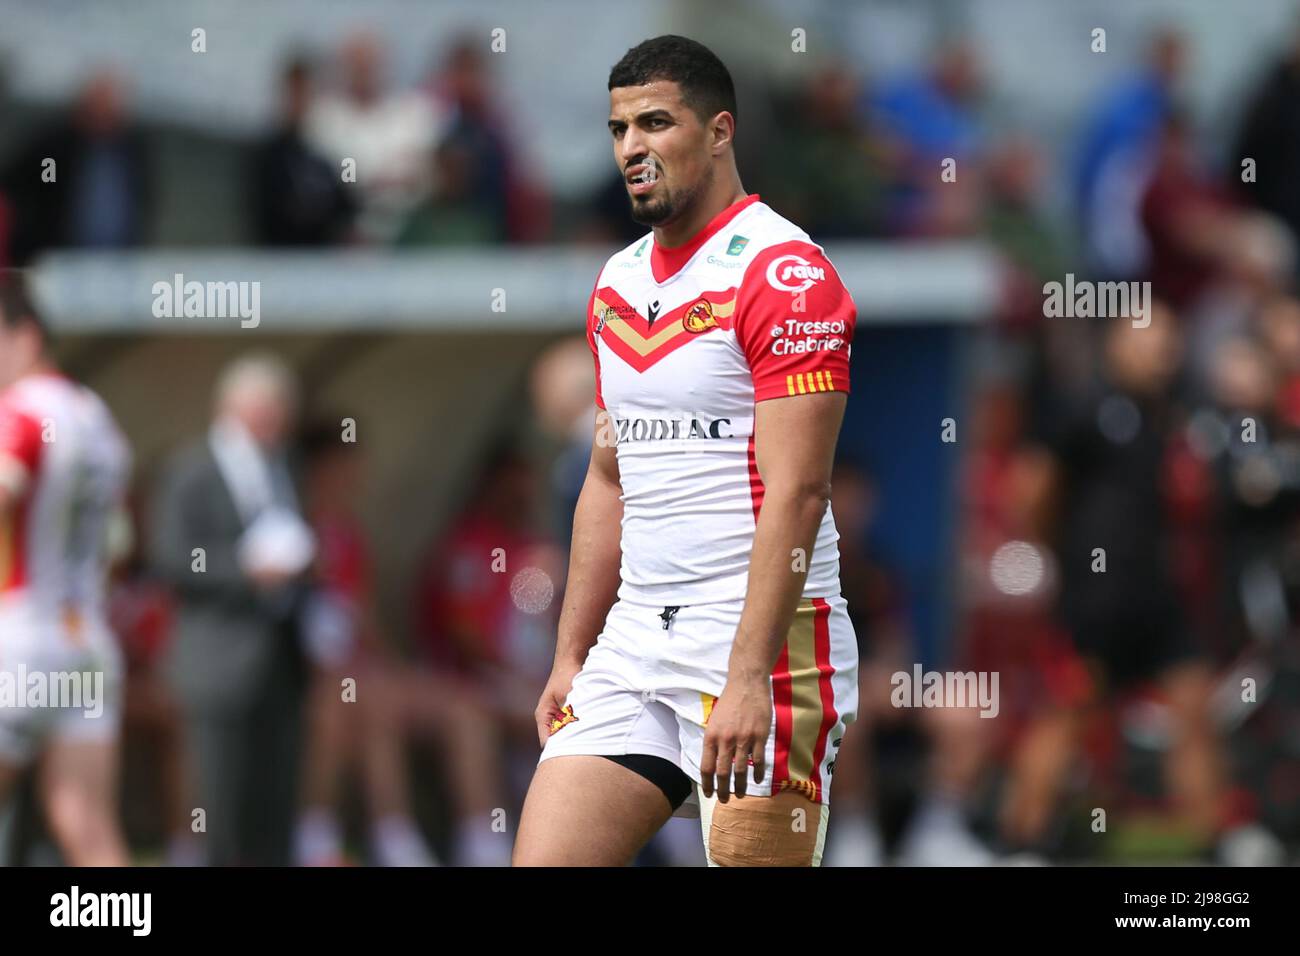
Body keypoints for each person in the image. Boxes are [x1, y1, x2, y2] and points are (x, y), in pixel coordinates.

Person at [513, 35, 859, 867]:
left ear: (719, 131)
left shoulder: (786, 274)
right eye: (619, 128)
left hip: (765, 641)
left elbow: (801, 494)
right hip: (637, 637)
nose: (632, 146)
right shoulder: (616, 281)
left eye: (656, 122)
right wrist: (571, 653)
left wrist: (745, 679)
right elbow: (606, 480)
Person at [150, 353, 313, 865]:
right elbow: (171, 558)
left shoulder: (283, 466)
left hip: (281, 662)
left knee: (275, 802)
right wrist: (245, 571)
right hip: (217, 663)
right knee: (220, 804)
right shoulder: (191, 469)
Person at [0, 271, 132, 865]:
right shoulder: (94, 414)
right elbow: (119, 539)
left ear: (25, 336)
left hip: (21, 638)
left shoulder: (21, 410)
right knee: (89, 828)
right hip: (87, 640)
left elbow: (6, 484)